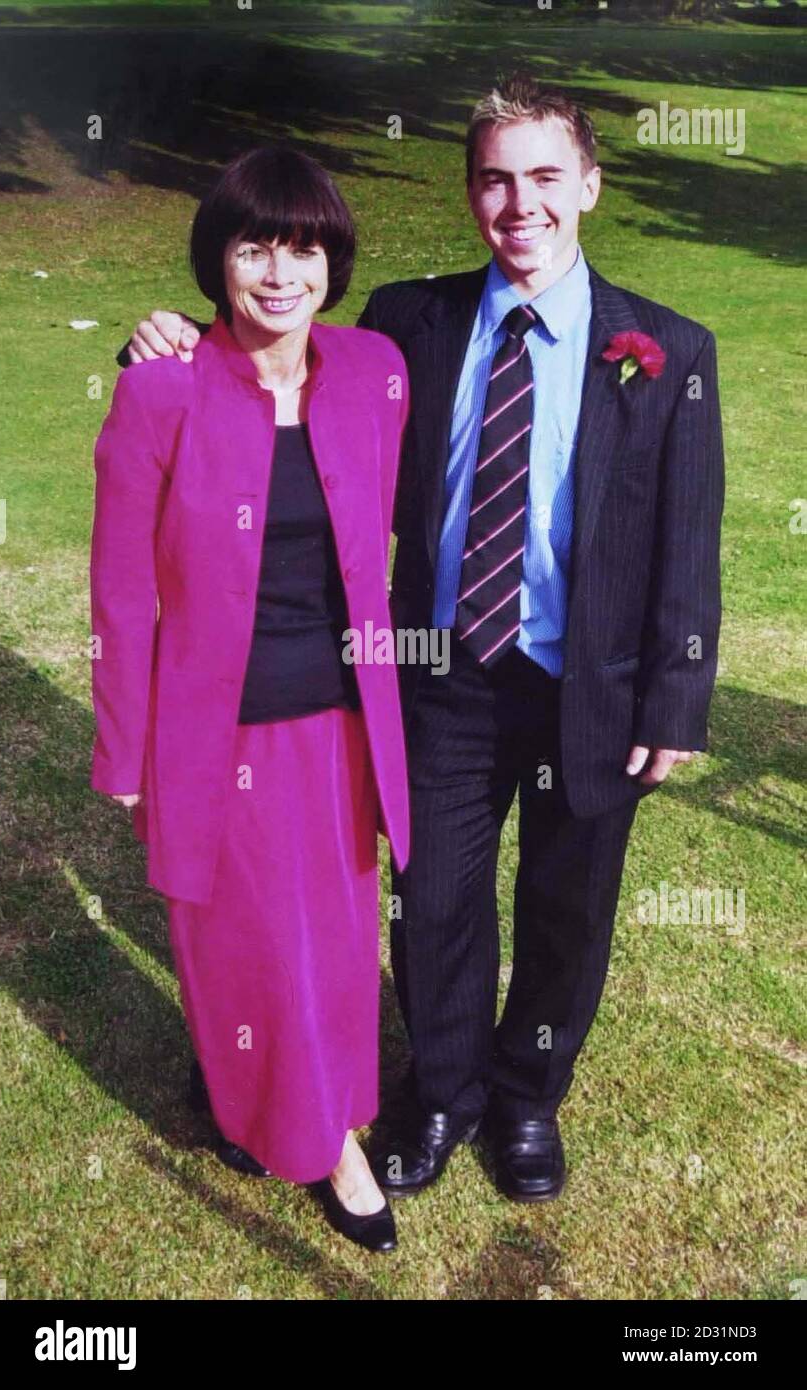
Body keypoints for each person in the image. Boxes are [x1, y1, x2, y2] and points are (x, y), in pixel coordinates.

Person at [117, 75, 725, 1206]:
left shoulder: (666, 352)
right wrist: (166, 338)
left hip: (588, 685)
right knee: (434, 897)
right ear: (469, 193)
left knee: (566, 904)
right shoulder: (409, 323)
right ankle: (442, 1090)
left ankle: (528, 1094)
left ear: (588, 185)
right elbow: (272, 353)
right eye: (495, 178)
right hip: (434, 677)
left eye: (545, 176)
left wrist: (676, 699)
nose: (520, 203)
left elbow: (689, 537)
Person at [90, 145, 410, 1252]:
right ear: (217, 257)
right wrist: (127, 756)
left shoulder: (374, 371)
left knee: (328, 937)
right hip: (214, 726)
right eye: (255, 244)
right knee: (251, 939)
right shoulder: (161, 387)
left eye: (306, 246)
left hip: (343, 722)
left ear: (335, 262)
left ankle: (310, 1114)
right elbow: (123, 591)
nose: (281, 272)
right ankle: (315, 1138)